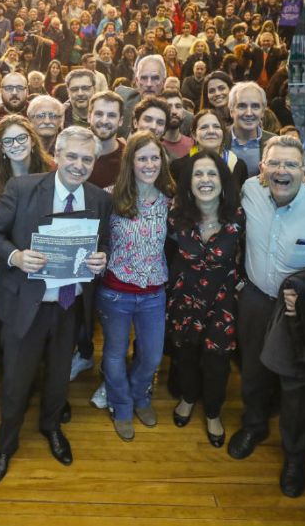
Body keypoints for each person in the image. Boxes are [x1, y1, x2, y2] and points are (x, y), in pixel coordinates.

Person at [0, 126, 112, 487]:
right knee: (16, 382)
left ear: (94, 162)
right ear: (58, 153)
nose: (78, 165)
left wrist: (102, 258)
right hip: (25, 305)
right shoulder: (23, 189)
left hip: (69, 307)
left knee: (58, 378)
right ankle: (5, 446)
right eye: (72, 156)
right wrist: (16, 256)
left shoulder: (99, 199)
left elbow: (104, 245)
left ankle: (51, 428)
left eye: (87, 159)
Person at [230, 135, 305, 498]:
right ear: (262, 169)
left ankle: (296, 456)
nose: (282, 170)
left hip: (298, 312)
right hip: (253, 298)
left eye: (290, 164)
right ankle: (254, 425)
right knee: (251, 370)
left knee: (297, 387)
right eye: (274, 164)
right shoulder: (249, 191)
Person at [99, 132, 174, 441]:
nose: (149, 163)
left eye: (154, 157)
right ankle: (121, 404)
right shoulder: (110, 197)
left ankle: (140, 395)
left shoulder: (170, 198)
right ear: (130, 161)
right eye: (142, 157)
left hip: (154, 291)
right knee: (115, 354)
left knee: (153, 356)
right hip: (116, 292)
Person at [167, 150, 244, 447]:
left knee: (217, 364)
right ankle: (187, 398)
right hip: (184, 301)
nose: (205, 180)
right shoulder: (176, 217)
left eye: (212, 173)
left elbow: (254, 256)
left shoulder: (239, 217)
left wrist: (243, 285)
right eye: (198, 174)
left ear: (223, 181)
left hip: (222, 303)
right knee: (184, 357)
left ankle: (213, 413)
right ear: (188, 182)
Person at [0, 115, 54, 206]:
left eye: (21, 138)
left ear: (33, 141)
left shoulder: (52, 168)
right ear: (2, 148)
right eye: (8, 141)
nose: (16, 145)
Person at [227, 82, 275, 174]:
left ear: (263, 112)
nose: (249, 113)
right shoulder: (218, 138)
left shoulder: (274, 142)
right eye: (242, 106)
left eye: (255, 106)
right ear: (231, 111)